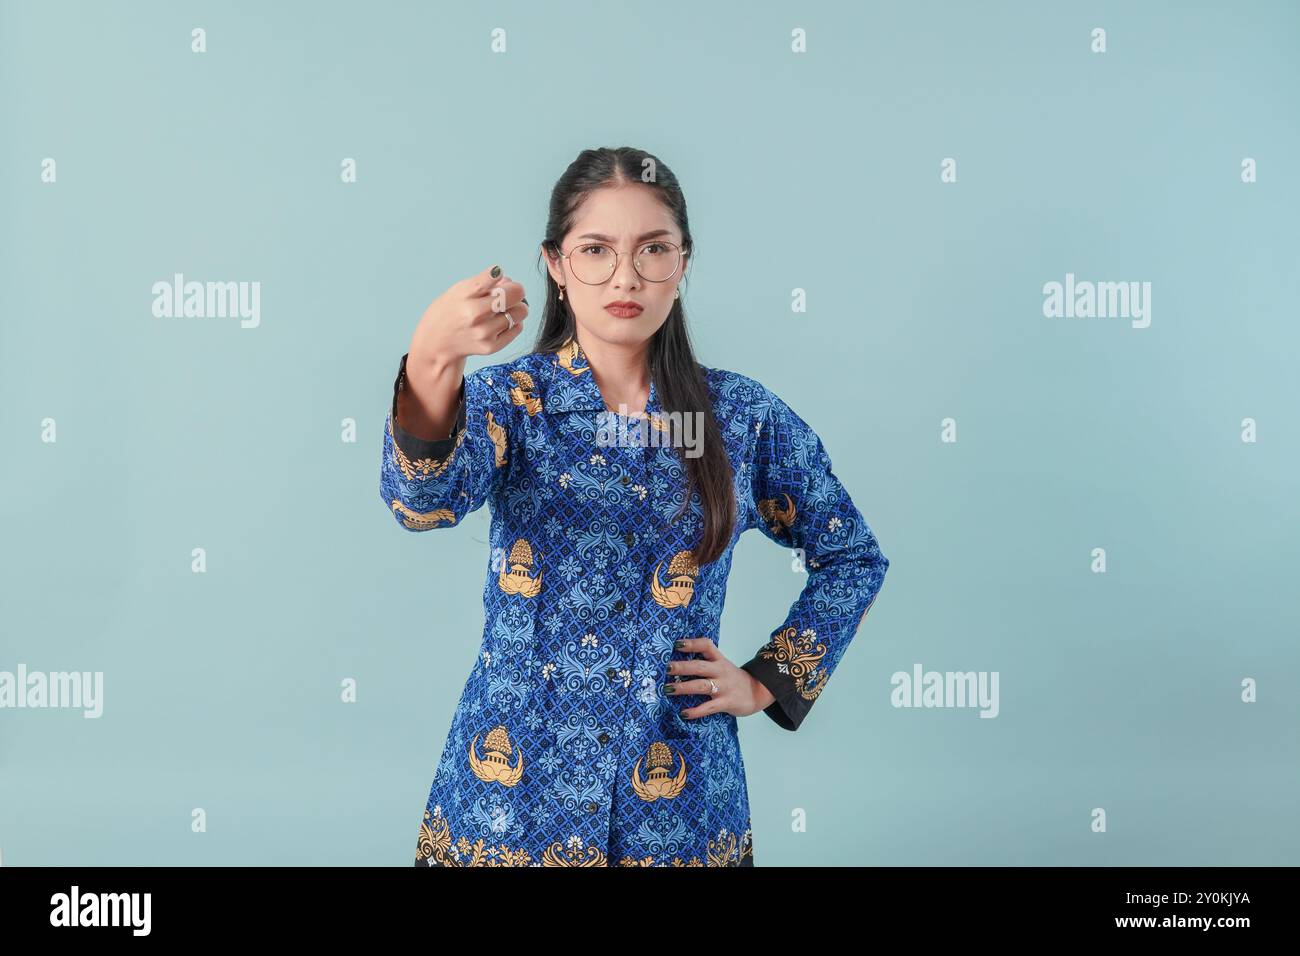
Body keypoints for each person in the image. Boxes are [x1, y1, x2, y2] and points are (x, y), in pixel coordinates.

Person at [381, 146, 890, 867]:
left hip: (675, 801)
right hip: (507, 805)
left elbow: (850, 555)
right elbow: (421, 503)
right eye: (596, 250)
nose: (626, 276)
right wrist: (432, 359)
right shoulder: (511, 404)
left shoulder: (739, 418)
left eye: (654, 249)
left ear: (683, 264)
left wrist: (767, 681)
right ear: (555, 265)